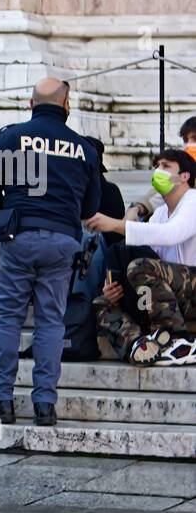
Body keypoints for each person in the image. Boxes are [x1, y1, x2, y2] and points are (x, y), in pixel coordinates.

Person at [0, 78, 101, 427]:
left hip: (19, 236)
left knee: (9, 318)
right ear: (66, 105)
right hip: (62, 241)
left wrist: (6, 211)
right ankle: (45, 405)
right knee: (51, 321)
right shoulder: (84, 148)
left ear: (30, 103)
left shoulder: (12, 137)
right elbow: (91, 206)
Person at [87, 149, 196, 365]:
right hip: (168, 297)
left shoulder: (193, 200)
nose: (159, 171)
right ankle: (140, 345)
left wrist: (118, 225)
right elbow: (146, 247)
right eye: (157, 166)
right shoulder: (160, 213)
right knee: (102, 303)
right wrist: (114, 291)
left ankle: (178, 339)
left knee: (141, 266)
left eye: (166, 166)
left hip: (191, 290)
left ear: (184, 176)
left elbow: (172, 234)